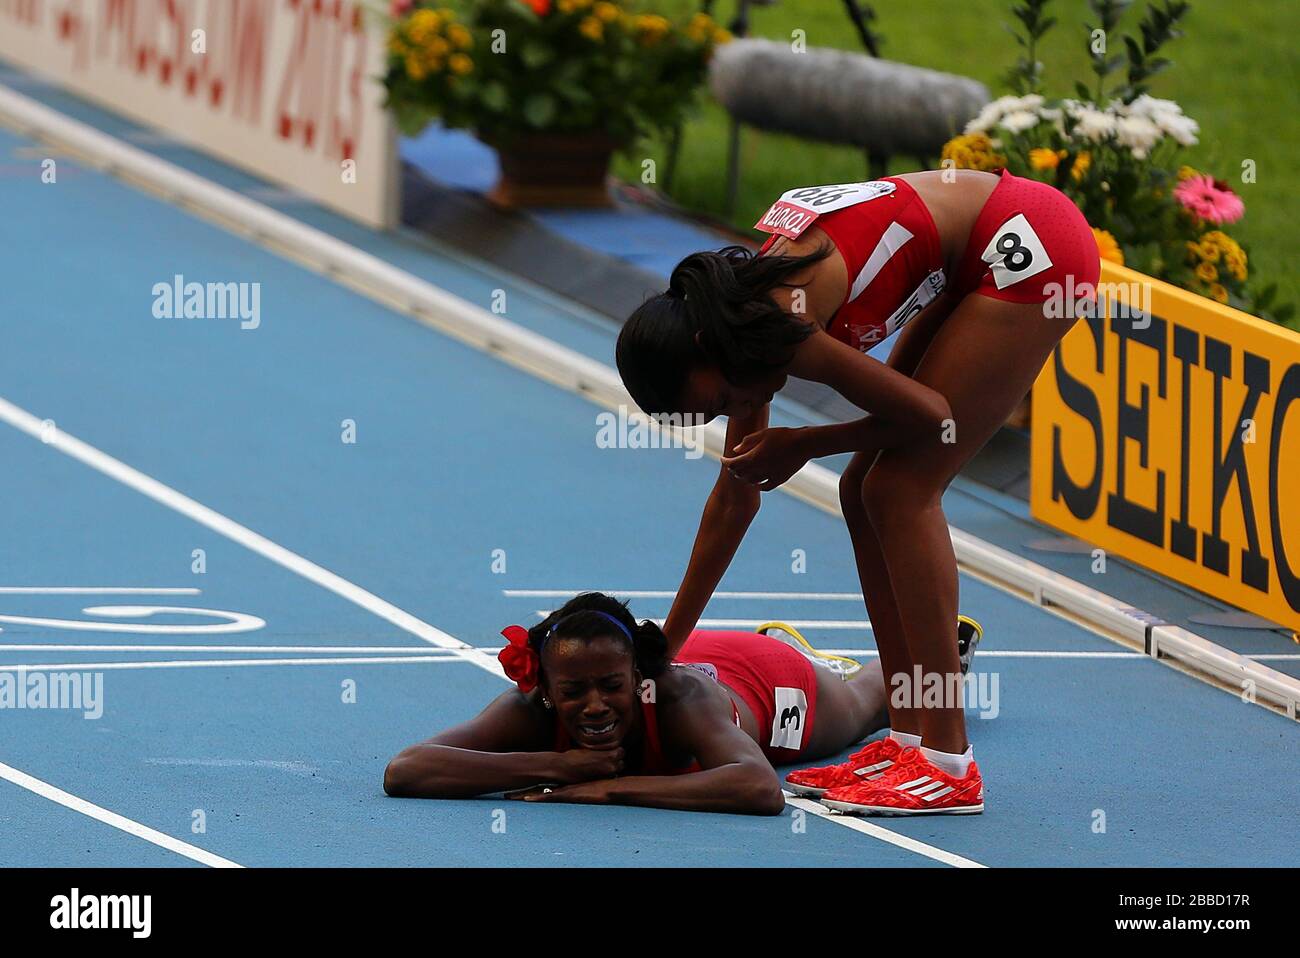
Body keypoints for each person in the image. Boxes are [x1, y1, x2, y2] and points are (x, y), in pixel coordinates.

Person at [615, 168, 1099, 814]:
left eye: (729, 400)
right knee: (859, 491)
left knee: (900, 489)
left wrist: (804, 441)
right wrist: (665, 649)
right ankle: (908, 736)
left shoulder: (784, 327)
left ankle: (949, 762)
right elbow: (735, 496)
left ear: (705, 348)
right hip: (974, 254)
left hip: (1032, 246)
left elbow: (932, 416)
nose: (745, 408)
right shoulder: (735, 337)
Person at [382, 592, 955, 816]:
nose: (594, 706)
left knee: (868, 703)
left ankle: (947, 646)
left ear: (637, 676)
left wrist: (608, 786)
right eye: (573, 692)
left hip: (759, 683)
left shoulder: (679, 697)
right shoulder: (532, 707)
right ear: (547, 691)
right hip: (680, 659)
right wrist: (556, 765)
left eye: (611, 686)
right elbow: (406, 769)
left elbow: (758, 787)